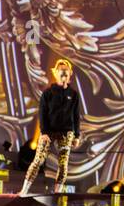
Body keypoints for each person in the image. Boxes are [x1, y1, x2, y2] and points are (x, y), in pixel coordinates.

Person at [20, 58, 82, 196]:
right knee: (38, 160)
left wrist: (77, 135)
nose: (64, 72)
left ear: (70, 73)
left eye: (66, 70)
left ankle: (57, 193)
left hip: (66, 132)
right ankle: (24, 190)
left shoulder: (74, 95)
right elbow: (42, 113)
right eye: (61, 70)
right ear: (55, 73)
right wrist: (44, 132)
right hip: (49, 131)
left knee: (63, 163)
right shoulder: (48, 93)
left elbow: (76, 116)